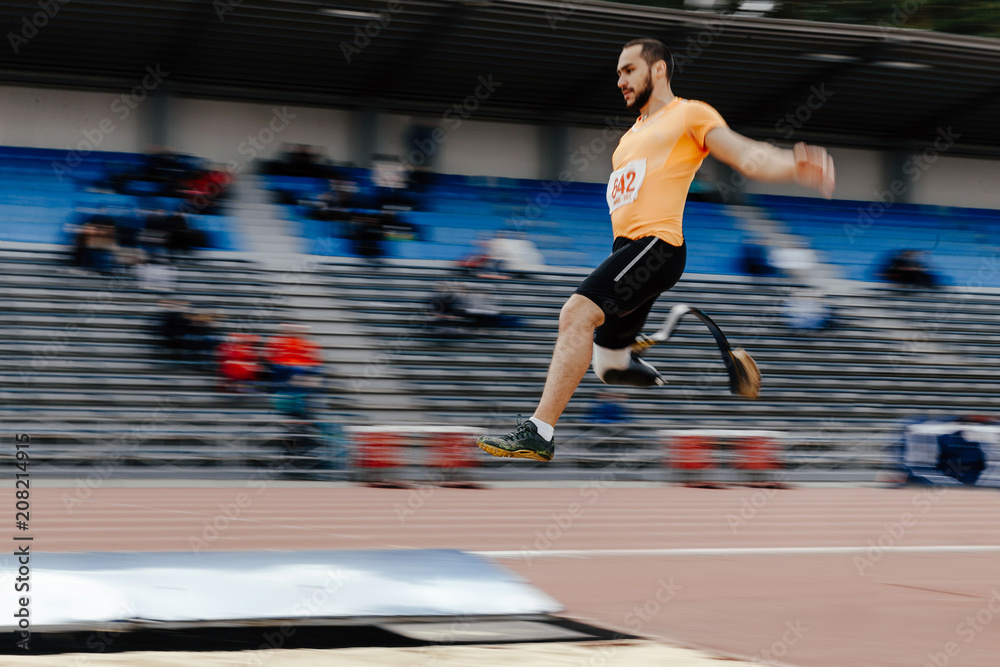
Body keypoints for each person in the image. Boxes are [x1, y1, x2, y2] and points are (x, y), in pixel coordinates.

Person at [477, 38, 835, 462]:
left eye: (629, 70)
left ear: (659, 69)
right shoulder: (626, 141)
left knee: (575, 314)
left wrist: (792, 164)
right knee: (606, 366)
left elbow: (746, 155)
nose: (620, 80)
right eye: (618, 74)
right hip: (627, 252)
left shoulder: (689, 114)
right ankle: (641, 365)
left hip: (658, 246)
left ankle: (539, 431)